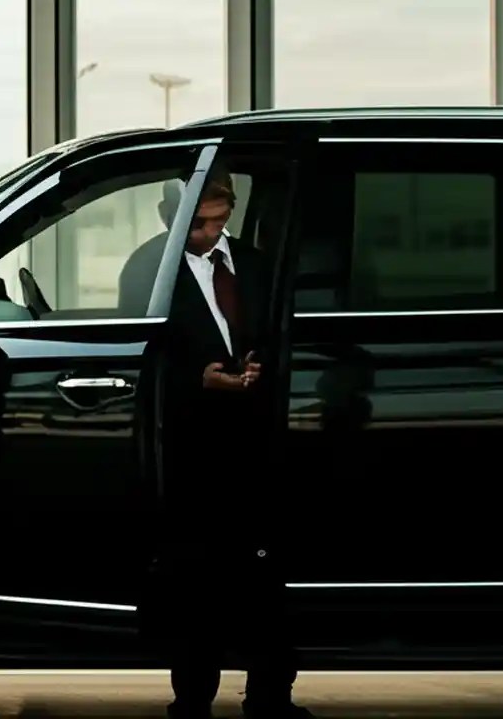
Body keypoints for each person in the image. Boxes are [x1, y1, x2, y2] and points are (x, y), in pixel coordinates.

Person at [135, 167, 316, 719]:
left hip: (257, 445)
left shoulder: (256, 267)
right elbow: (146, 360)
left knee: (264, 578)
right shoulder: (149, 272)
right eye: (197, 227)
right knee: (197, 580)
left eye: (219, 222)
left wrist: (258, 367)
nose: (210, 235)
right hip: (193, 451)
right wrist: (199, 379)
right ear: (172, 219)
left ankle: (269, 696)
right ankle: (192, 700)